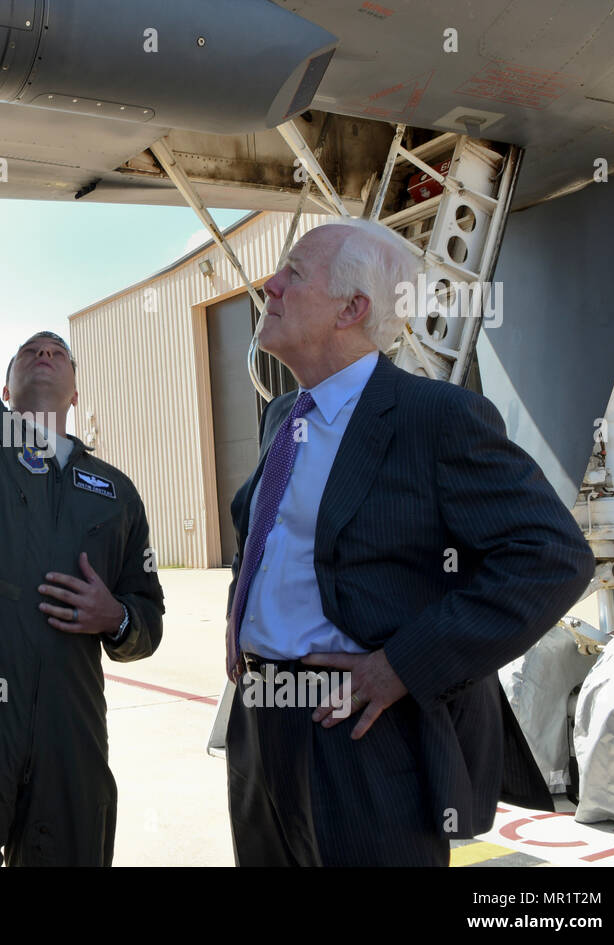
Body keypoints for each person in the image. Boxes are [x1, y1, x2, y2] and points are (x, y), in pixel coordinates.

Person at [224, 219, 593, 866]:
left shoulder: (436, 419)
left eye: (293, 273)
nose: (269, 285)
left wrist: (403, 667)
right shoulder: (285, 417)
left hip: (363, 738)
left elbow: (551, 558)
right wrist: (241, 616)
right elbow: (265, 533)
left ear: (353, 309)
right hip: (260, 729)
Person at [0, 94, 166, 866]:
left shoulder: (115, 492)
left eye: (59, 352)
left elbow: (147, 621)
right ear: (4, 387)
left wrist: (116, 618)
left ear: (76, 389)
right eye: (29, 353)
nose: (45, 354)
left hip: (70, 740)